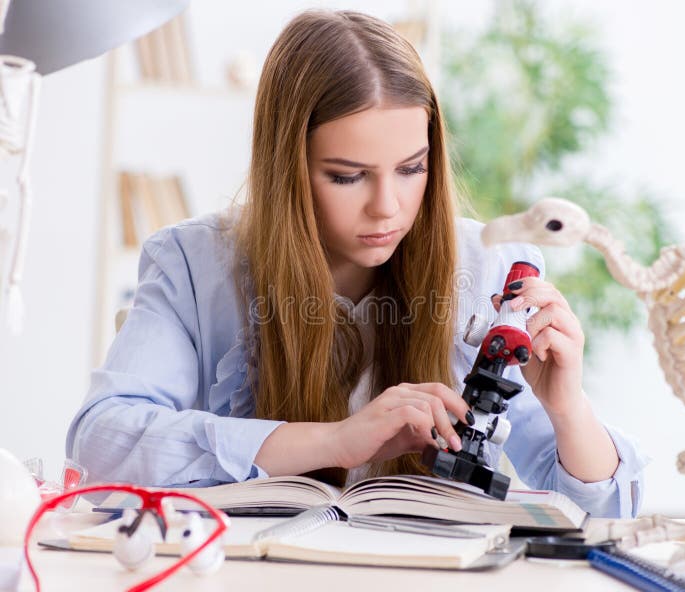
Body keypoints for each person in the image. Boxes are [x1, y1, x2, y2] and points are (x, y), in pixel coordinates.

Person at [67, 9, 647, 518]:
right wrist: (335, 442)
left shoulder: (493, 269)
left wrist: (567, 406)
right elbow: (100, 445)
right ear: (286, 168)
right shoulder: (193, 264)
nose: (387, 207)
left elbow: (608, 511)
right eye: (347, 176)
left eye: (412, 168)